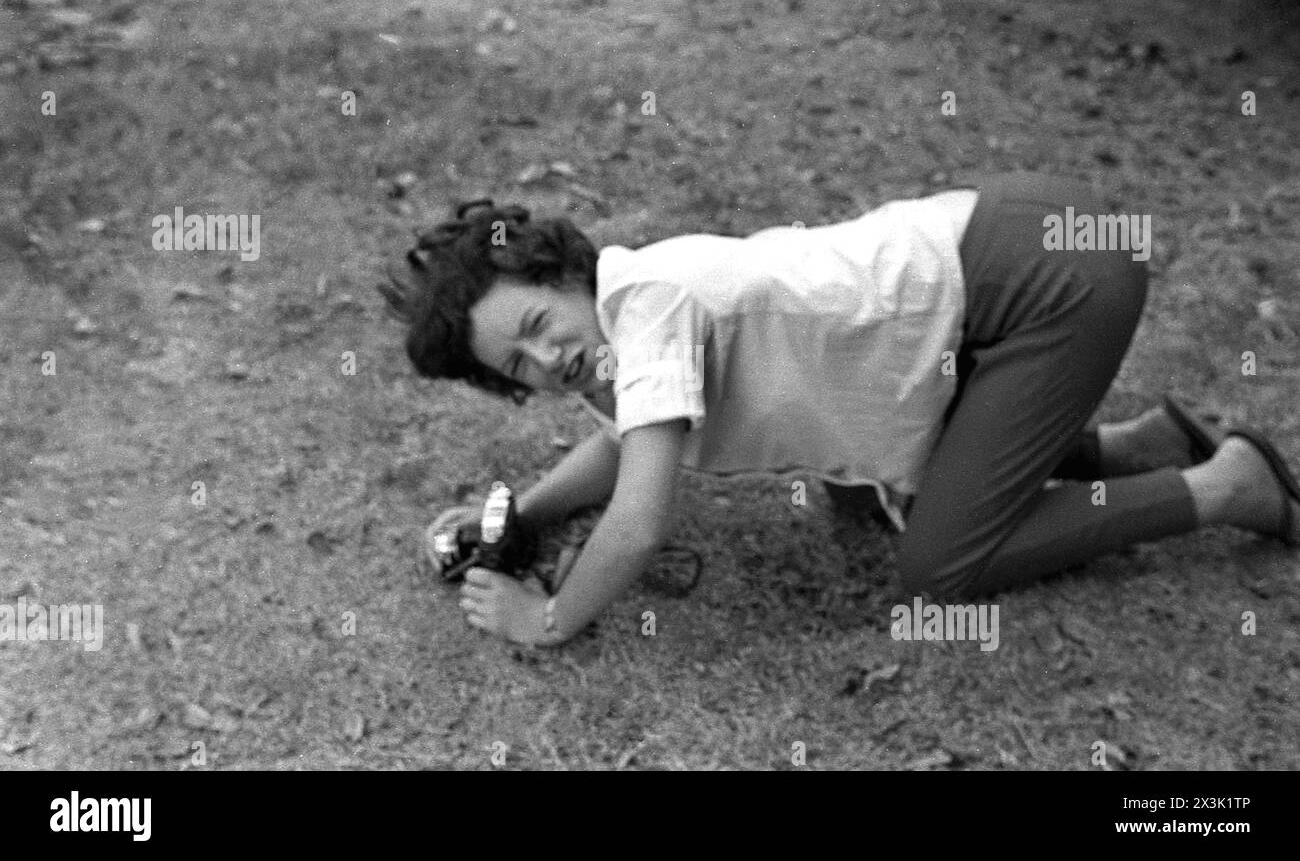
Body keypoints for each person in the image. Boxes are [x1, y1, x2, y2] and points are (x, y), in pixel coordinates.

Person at [379, 173, 1300, 647]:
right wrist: (523, 513)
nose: (548, 358)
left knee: (941, 566)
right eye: (519, 365)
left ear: (566, 275)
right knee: (858, 497)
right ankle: (1132, 448)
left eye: (539, 325)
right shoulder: (620, 339)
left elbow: (641, 521)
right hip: (1004, 255)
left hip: (1048, 276)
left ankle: (1225, 484)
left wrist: (544, 618)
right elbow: (628, 448)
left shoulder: (646, 304)